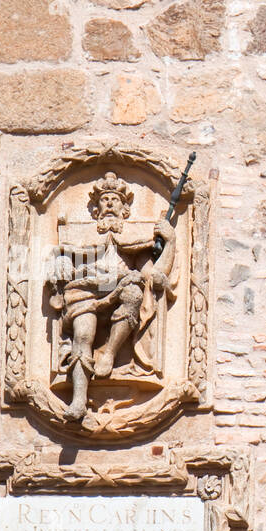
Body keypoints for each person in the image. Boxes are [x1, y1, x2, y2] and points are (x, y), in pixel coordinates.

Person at [47, 173, 175, 422]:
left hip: (120, 287)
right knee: (83, 334)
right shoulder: (77, 236)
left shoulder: (135, 239)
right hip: (83, 290)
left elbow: (155, 274)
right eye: (104, 199)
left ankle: (110, 353)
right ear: (95, 209)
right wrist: (60, 263)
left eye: (114, 200)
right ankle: (79, 400)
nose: (108, 203)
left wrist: (169, 243)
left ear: (124, 209)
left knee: (134, 292)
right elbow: (63, 256)